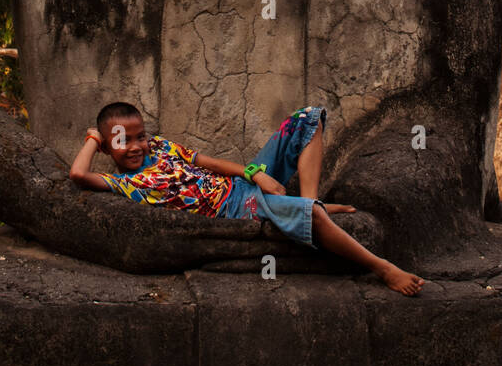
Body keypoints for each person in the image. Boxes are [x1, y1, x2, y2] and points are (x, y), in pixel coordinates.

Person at [70, 101, 423, 296]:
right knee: (314, 219)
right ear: (105, 146)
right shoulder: (124, 184)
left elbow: (210, 162)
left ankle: (309, 203)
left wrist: (256, 173)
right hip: (239, 208)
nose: (135, 146)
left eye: (139, 136)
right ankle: (383, 268)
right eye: (121, 140)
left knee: (307, 118)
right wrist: (90, 139)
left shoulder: (162, 147)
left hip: (245, 185)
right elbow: (78, 175)